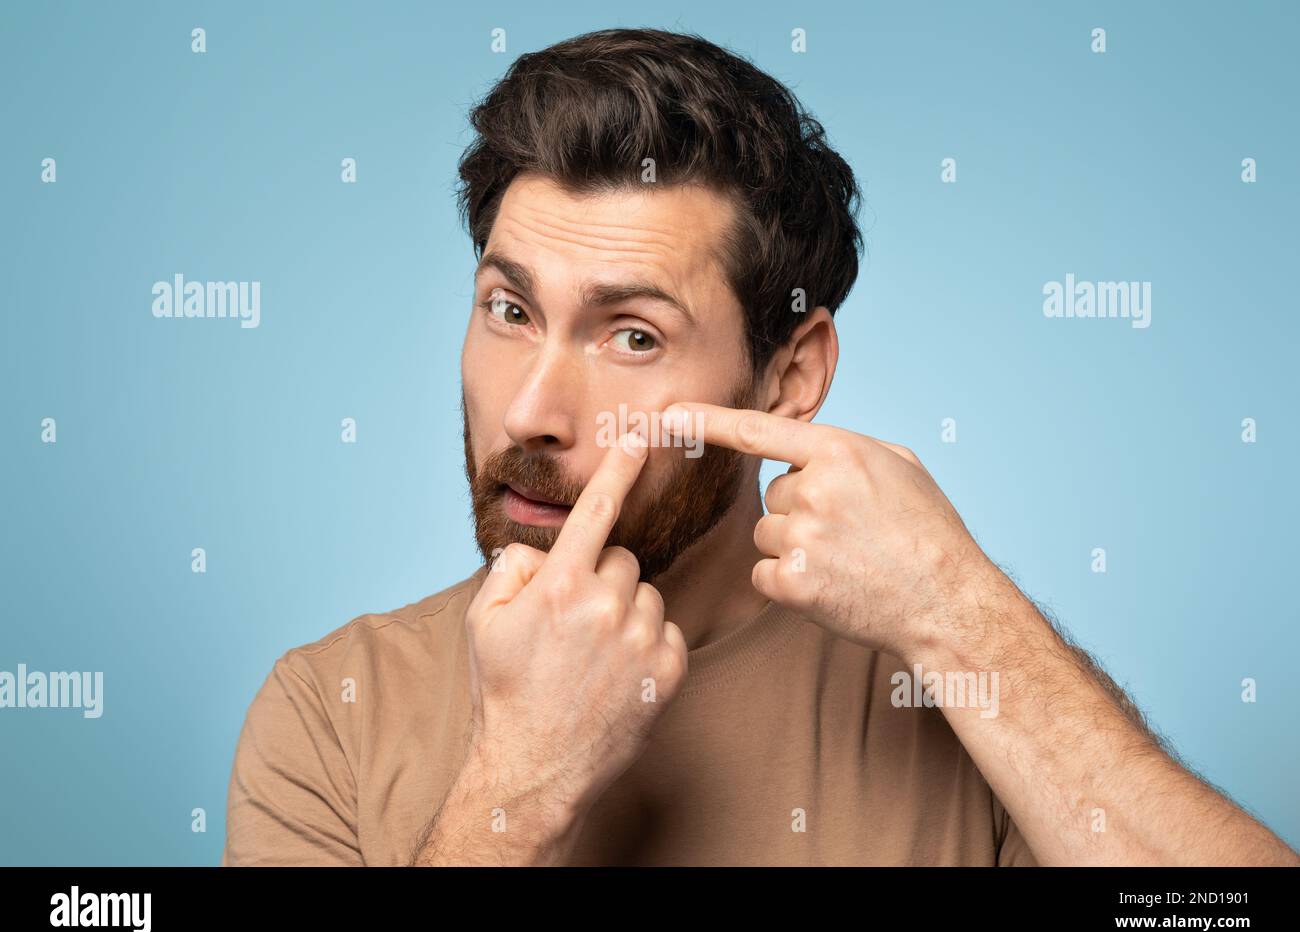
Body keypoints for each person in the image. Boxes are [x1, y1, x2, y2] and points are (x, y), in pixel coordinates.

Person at [222, 27, 1298, 866]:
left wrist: (959, 617)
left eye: (632, 334)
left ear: (789, 376)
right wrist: (523, 782)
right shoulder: (332, 707)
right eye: (509, 311)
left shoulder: (956, 704)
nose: (530, 412)